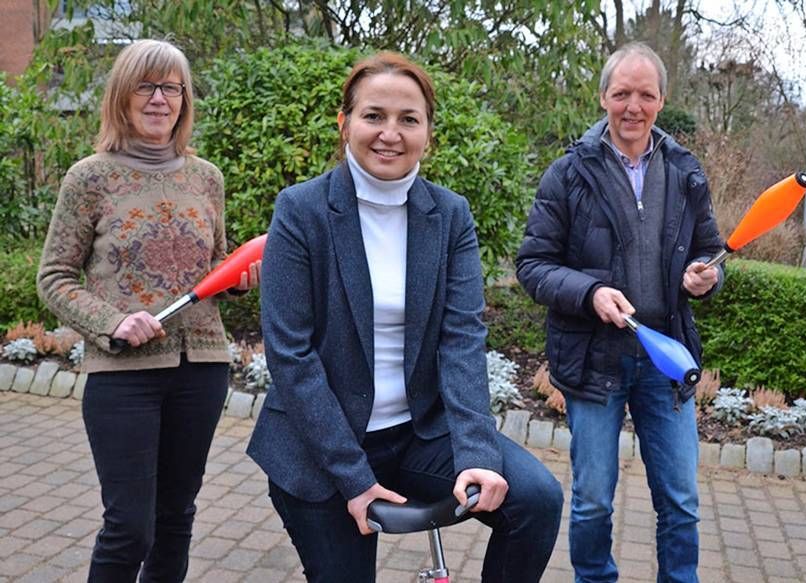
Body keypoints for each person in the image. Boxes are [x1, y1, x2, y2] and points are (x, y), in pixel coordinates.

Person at [247, 51, 563, 583]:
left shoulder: (450, 215)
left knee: (537, 500)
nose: (390, 133)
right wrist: (354, 477)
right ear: (345, 123)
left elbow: (461, 339)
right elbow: (290, 354)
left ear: (428, 133)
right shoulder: (301, 210)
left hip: (418, 433)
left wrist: (477, 452)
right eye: (374, 115)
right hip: (321, 450)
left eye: (408, 119)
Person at [37, 39, 260, 583]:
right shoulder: (89, 177)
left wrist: (235, 282)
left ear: (184, 100)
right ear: (122, 95)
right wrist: (112, 321)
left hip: (202, 368)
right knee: (129, 527)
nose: (159, 98)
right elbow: (54, 278)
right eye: (146, 85)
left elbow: (213, 264)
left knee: (176, 518)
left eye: (172, 87)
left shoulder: (206, 177)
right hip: (123, 376)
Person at [516, 42, 724, 583]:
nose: (634, 105)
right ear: (604, 95)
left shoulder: (685, 170)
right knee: (592, 501)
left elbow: (708, 249)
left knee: (680, 501)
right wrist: (590, 293)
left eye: (646, 95)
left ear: (662, 99)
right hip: (593, 360)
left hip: (666, 361)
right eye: (622, 93)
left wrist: (707, 276)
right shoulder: (567, 174)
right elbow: (533, 265)